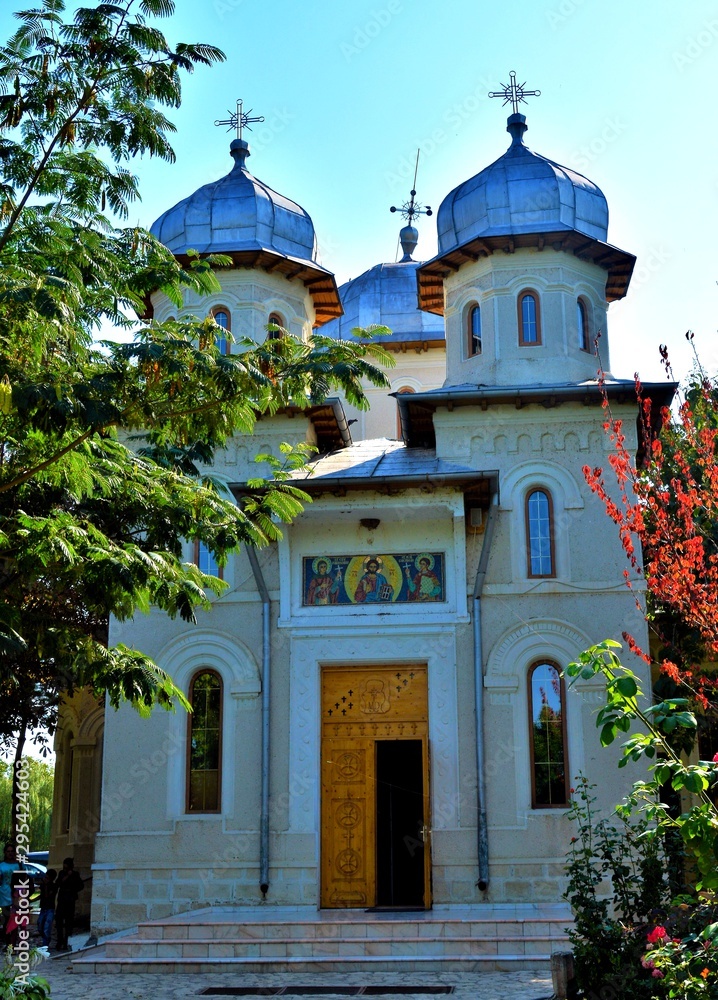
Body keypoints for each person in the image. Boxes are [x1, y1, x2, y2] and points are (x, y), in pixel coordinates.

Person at [54, 858, 90, 952]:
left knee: (69, 922)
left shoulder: (75, 875)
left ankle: (67, 941)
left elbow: (80, 886)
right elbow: (58, 883)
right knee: (59, 922)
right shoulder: (62, 873)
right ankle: (60, 940)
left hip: (70, 900)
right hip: (62, 900)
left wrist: (73, 890)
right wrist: (66, 877)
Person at [0, 842, 17, 941]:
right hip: (4, 894)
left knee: (15, 919)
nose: (10, 853)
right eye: (8, 851)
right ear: (5, 853)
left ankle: (13, 941)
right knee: (6, 919)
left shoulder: (19, 865)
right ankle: (7, 942)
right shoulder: (1, 865)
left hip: (16, 895)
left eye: (12, 851)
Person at [37, 868, 57, 948]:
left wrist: (46, 886)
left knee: (47, 927)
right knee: (40, 925)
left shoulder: (53, 886)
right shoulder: (43, 885)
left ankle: (45, 944)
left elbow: (47, 895)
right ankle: (46, 939)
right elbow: (41, 896)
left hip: (50, 909)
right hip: (43, 908)